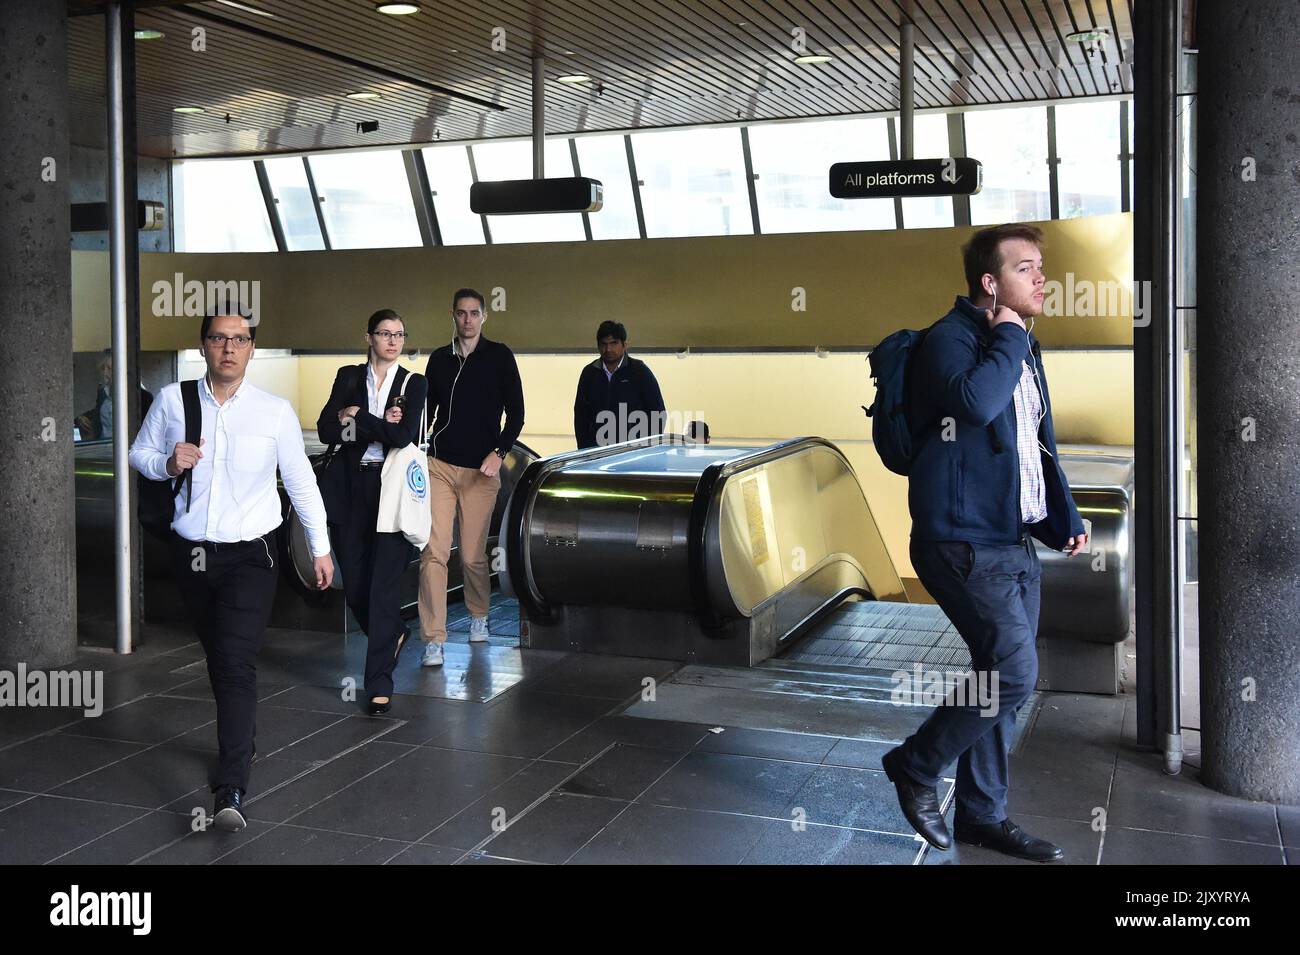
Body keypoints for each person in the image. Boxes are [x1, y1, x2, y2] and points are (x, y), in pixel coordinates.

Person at [881, 223, 1088, 862]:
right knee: (1014, 671)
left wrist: (1063, 517)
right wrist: (1006, 334)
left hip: (1013, 541)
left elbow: (1035, 442)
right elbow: (974, 403)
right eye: (1027, 269)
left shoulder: (1021, 344)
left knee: (995, 680)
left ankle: (981, 814)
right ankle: (916, 765)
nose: (1042, 279)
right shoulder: (952, 341)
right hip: (961, 543)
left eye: (1042, 268)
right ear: (990, 283)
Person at [128, 305, 333, 833]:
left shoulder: (274, 412)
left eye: (239, 340)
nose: (228, 348)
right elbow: (138, 455)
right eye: (219, 339)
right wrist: (167, 463)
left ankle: (231, 784)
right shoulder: (174, 401)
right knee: (220, 658)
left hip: (251, 556)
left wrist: (320, 547)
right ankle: (241, 739)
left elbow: (302, 482)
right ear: (203, 347)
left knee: (236, 663)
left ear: (251, 350)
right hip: (193, 554)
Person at [316, 309, 427, 716]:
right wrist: (376, 424)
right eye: (385, 333)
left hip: (392, 490)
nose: (393, 341)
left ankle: (378, 683)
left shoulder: (415, 383)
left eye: (399, 334)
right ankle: (394, 632)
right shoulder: (348, 376)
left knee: (381, 589)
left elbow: (403, 436)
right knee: (357, 585)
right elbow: (327, 429)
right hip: (350, 488)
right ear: (369, 337)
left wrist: (359, 416)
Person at [418, 288, 524, 666]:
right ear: (453, 315)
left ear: (484, 316)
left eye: (473, 313)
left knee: (473, 555)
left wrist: (499, 454)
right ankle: (434, 637)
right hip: (440, 466)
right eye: (461, 313)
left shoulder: (499, 356)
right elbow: (426, 411)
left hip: (481, 470)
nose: (467, 320)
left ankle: (479, 615)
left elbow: (516, 414)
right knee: (434, 551)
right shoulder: (439, 360)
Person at [573, 320, 666, 448]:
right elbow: (580, 416)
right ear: (598, 346)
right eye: (603, 344)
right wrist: (584, 449)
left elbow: (658, 412)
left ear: (624, 345)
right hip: (597, 452)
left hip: (633, 452)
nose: (608, 349)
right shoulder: (589, 373)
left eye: (613, 343)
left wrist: (647, 448)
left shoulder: (639, 371)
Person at [76, 349, 153, 440]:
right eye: (103, 368)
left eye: (109, 369)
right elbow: (99, 413)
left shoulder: (144, 398)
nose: (105, 373)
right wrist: (81, 418)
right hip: (102, 447)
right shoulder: (103, 392)